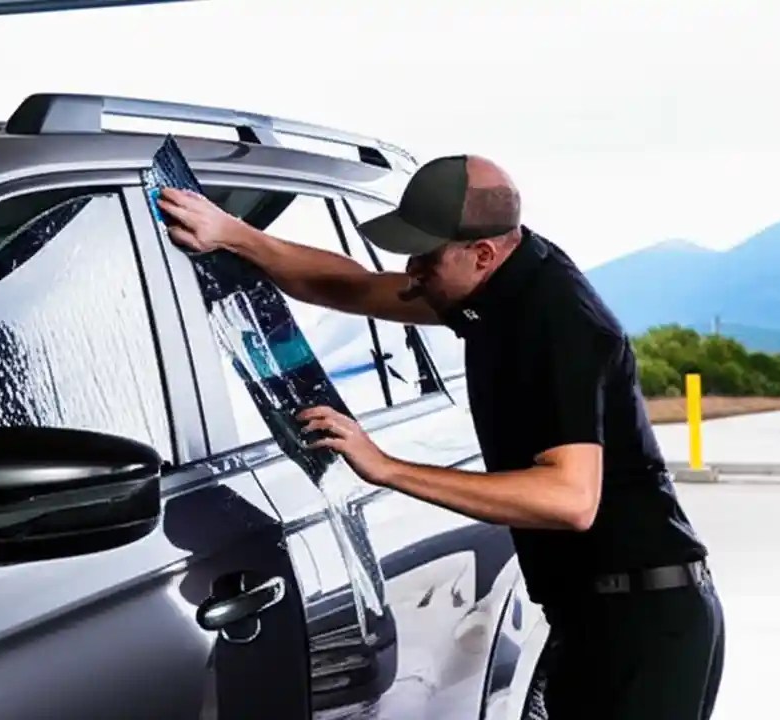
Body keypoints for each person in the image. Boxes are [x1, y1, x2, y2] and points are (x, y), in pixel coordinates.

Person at [157, 155, 725, 719]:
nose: (413, 269)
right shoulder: (494, 285)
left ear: (482, 254)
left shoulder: (558, 322)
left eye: (426, 255)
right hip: (602, 616)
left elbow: (570, 499)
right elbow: (351, 287)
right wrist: (233, 234)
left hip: (643, 630)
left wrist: (388, 468)